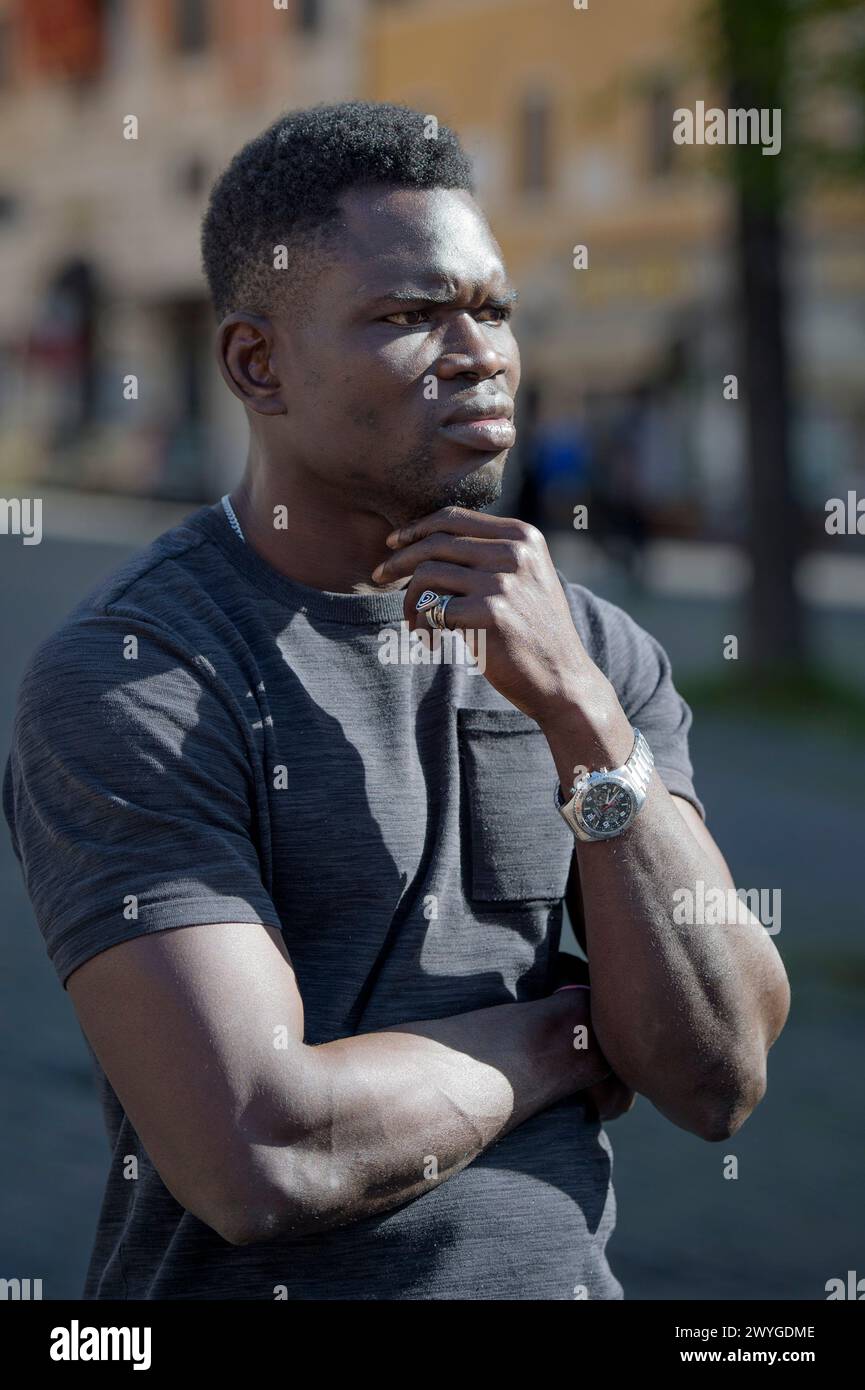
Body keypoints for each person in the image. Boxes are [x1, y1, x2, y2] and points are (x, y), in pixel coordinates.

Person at [3, 101, 789, 1301]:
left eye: (492, 310)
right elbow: (262, 1149)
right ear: (256, 363)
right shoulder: (138, 674)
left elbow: (716, 1072)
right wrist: (566, 1037)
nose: (477, 351)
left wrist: (580, 716)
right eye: (410, 316)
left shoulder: (593, 653)